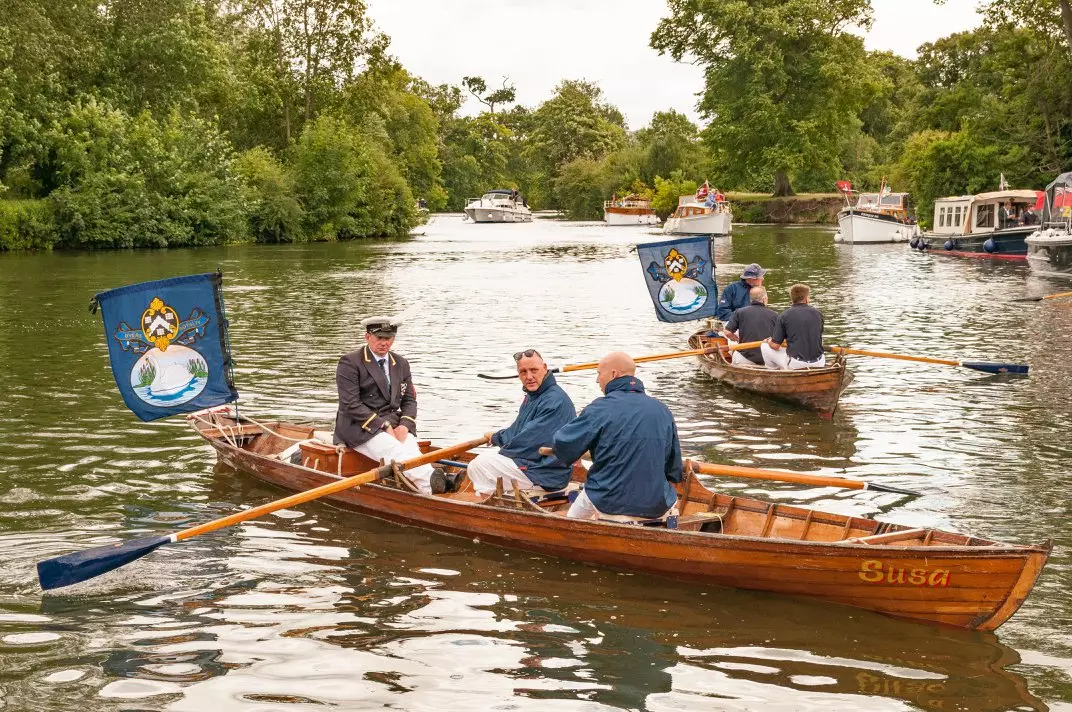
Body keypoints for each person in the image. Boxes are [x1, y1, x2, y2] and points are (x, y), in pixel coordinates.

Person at [552, 352, 681, 520]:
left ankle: (568, 532)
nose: (597, 380)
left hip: (609, 499)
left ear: (614, 374)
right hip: (657, 503)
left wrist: (574, 454)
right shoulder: (662, 410)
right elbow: (674, 468)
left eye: (599, 374)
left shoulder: (600, 408)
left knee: (571, 519)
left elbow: (562, 443)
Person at [334, 316, 446, 494]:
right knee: (397, 453)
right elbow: (350, 404)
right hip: (359, 427)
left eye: (389, 338)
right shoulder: (350, 362)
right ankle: (437, 488)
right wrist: (383, 425)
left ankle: (433, 490)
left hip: (395, 424)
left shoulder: (401, 363)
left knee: (412, 452)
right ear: (367, 337)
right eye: (379, 338)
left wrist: (405, 425)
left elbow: (409, 400)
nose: (384, 343)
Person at [467, 349, 576, 495]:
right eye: (523, 372)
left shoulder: (554, 401)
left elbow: (525, 444)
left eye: (533, 370)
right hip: (541, 468)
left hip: (546, 474)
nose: (529, 376)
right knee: (489, 459)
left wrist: (498, 439)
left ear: (544, 368)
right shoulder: (534, 396)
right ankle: (496, 503)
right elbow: (518, 430)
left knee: (478, 465)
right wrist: (496, 437)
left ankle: (489, 512)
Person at [761, 284, 826, 370]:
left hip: (797, 364)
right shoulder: (818, 314)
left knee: (764, 346)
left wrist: (768, 341)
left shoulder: (784, 315)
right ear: (806, 299)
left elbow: (775, 346)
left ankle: (773, 371)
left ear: (791, 299)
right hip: (819, 362)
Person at [722, 286, 778, 366]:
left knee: (735, 353)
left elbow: (727, 332)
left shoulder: (740, 312)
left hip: (745, 358)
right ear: (764, 299)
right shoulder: (775, 315)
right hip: (767, 359)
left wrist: (735, 338)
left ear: (750, 299)